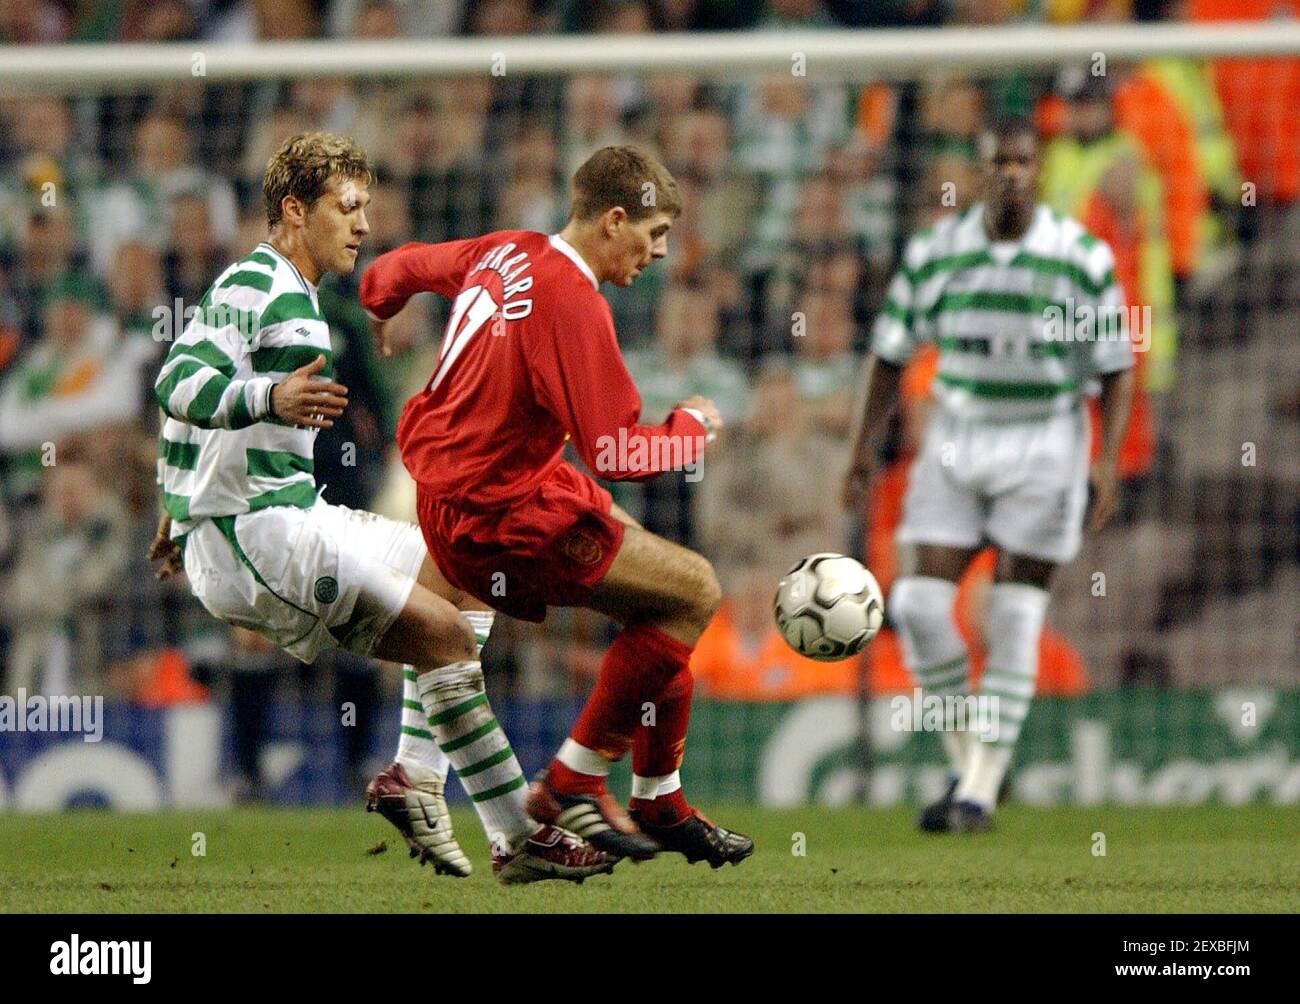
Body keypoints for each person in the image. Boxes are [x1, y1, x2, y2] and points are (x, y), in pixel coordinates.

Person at [145, 131, 612, 884]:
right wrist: (269, 398)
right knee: (450, 640)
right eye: (348, 207)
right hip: (256, 539)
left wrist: (172, 510)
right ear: (295, 211)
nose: (364, 224)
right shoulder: (254, 285)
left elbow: (186, 412)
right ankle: (517, 837)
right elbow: (175, 381)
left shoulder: (293, 294)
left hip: (291, 515)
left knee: (466, 575)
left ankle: (414, 775)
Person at [360, 145, 753, 867]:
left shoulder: (508, 249)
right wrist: (690, 432)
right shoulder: (573, 302)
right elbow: (616, 452)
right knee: (694, 591)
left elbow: (403, 266)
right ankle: (573, 782)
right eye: (655, 232)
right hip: (501, 514)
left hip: (450, 495)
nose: (661, 251)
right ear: (613, 221)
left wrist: (378, 301)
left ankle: (651, 797)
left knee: (661, 592)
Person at [841, 117, 1135, 834]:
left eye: (1022, 160)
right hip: (960, 434)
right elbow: (889, 352)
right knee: (914, 604)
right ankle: (975, 759)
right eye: (997, 159)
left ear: (1038, 169)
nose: (1010, 172)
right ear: (977, 173)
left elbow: (1116, 365)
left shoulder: (1079, 257)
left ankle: (975, 792)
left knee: (1012, 611)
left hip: (1045, 438)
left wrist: (1105, 458)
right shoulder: (937, 253)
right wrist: (858, 447)